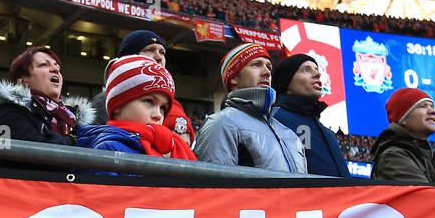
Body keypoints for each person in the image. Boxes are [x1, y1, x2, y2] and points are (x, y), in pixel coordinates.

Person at [193, 43, 306, 172]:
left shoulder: (288, 133)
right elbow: (215, 188)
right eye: (256, 64)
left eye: (269, 66)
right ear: (234, 77)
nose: (267, 72)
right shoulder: (221, 123)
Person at [0, 45, 97, 167]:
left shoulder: (76, 121)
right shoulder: (8, 112)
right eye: (44, 65)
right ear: (23, 81)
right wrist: (76, 141)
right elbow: (36, 157)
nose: (55, 70)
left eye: (57, 67)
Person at [77, 54, 195, 160]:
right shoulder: (108, 148)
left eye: (163, 108)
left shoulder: (168, 147)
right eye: (149, 101)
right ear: (118, 104)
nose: (158, 115)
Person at [90, 31, 195, 145]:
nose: (159, 57)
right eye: (149, 50)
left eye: (162, 52)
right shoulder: (104, 101)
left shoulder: (174, 105)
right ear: (130, 57)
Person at [271, 53, 350, 178]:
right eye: (306, 70)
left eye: (316, 69)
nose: (318, 74)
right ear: (287, 82)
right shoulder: (274, 120)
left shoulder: (327, 132)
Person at [369, 87, 435, 185]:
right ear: (403, 118)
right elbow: (429, 197)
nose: (433, 111)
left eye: (432, 106)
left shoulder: (432, 157)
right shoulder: (393, 157)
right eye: (423, 106)